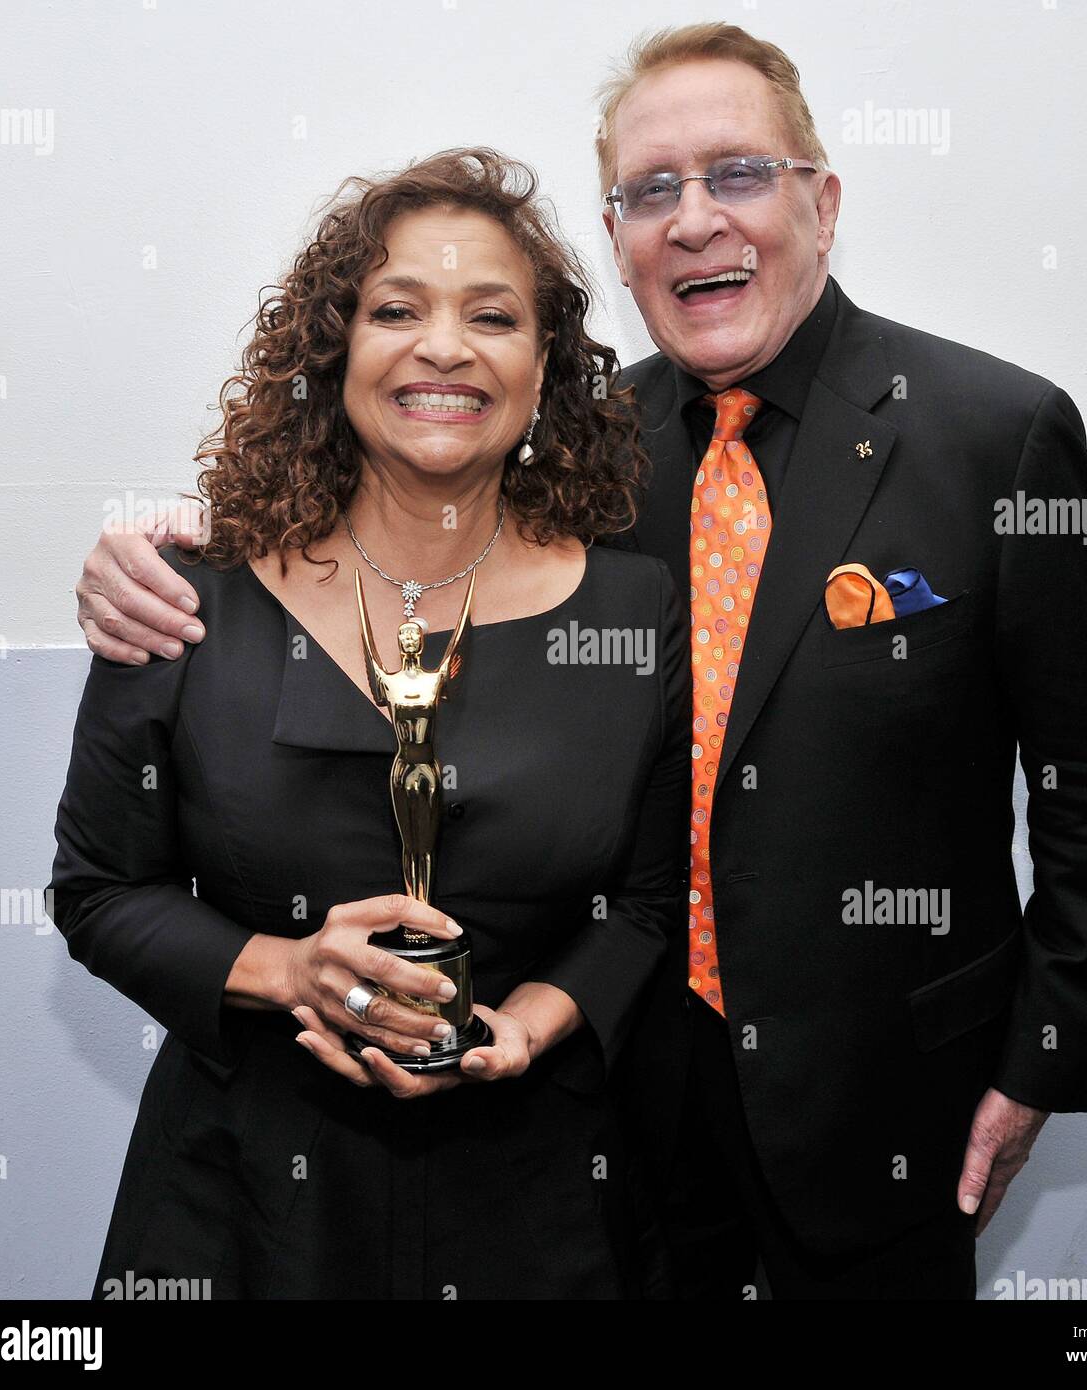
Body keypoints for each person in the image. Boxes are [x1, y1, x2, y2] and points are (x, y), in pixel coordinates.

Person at [72, 23, 1087, 1300]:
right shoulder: (590, 456)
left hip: (882, 1100)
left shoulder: (994, 435)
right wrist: (162, 541)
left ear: (822, 202)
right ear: (619, 238)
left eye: (737, 173)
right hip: (615, 1113)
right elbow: (393, 494)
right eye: (650, 191)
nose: (693, 220)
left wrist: (1040, 1060)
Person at [49, 147, 690, 1300]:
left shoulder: (636, 611)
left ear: (543, 367)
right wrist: (287, 970)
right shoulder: (185, 593)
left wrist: (527, 1023)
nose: (444, 346)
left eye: (491, 315)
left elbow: (646, 904)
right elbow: (98, 892)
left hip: (535, 1200)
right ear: (333, 351)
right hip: (240, 1205)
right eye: (396, 309)